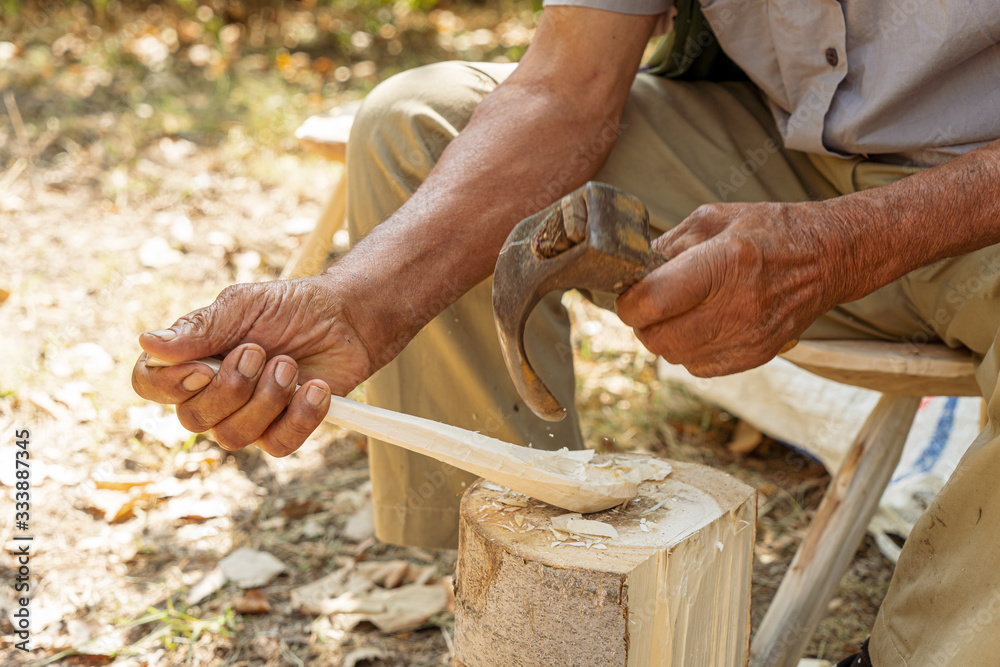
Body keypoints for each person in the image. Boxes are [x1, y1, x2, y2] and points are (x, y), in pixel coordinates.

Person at [133, 0, 1000, 663]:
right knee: (419, 123)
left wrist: (844, 244)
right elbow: (564, 86)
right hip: (782, 158)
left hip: (979, 194)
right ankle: (518, 613)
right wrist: (359, 301)